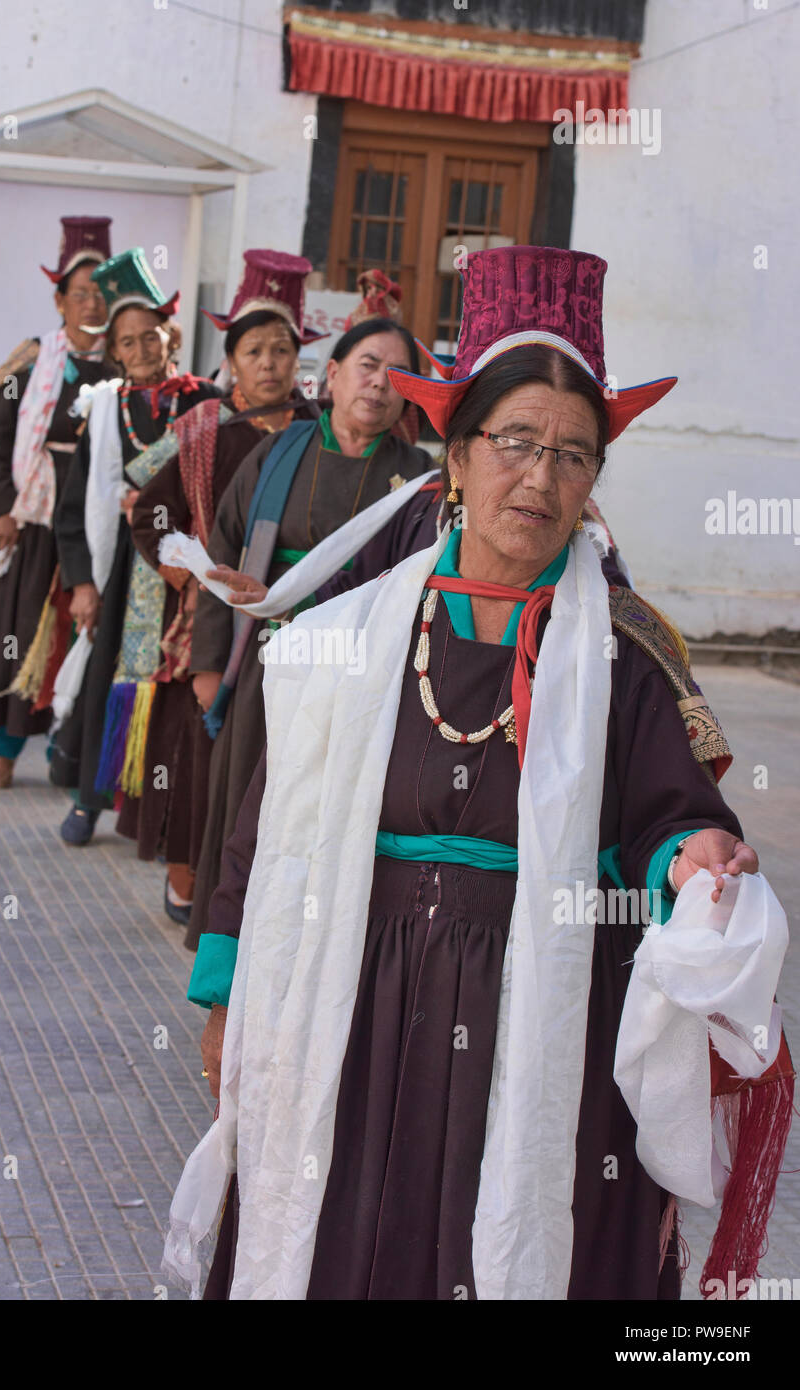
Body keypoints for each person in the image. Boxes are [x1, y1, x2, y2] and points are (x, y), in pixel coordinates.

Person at [165, 245, 793, 1301]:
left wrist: (696, 856)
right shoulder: (361, 627)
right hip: (356, 1004)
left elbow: (669, 810)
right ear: (453, 453)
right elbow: (268, 824)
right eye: (515, 442)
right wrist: (226, 993)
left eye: (574, 454)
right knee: (340, 1239)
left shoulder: (623, 651)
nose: (542, 477)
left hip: (543, 1015)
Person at [183, 312, 433, 948]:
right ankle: (230, 953)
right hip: (264, 657)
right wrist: (209, 663)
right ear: (335, 374)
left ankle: (304, 948)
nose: (379, 383)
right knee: (248, 799)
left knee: (324, 813)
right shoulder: (279, 451)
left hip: (355, 672)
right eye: (368, 365)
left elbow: (416, 583)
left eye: (397, 373)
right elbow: (224, 551)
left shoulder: (421, 478)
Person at [123, 249, 325, 922]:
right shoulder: (205, 431)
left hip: (297, 623)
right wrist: (184, 565)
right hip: (209, 623)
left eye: (279, 350)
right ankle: (186, 874)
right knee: (199, 756)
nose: (268, 363)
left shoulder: (319, 432)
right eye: (252, 351)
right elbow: (150, 510)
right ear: (231, 362)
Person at [48, 247, 218, 843]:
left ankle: (150, 809)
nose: (142, 350)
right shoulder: (104, 410)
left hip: (183, 564)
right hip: (119, 565)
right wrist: (83, 585)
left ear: (170, 335)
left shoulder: (202, 403)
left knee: (171, 684)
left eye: (151, 337)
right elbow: (71, 510)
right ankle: (88, 796)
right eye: (128, 342)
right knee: (107, 679)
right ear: (113, 352)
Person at [0, 215, 115, 788]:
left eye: (102, 294)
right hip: (34, 523)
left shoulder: (121, 364)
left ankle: (64, 754)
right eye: (81, 294)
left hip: (96, 524)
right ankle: (4, 747)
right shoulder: (31, 363)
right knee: (22, 634)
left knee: (84, 635)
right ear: (59, 300)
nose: (93, 304)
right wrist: (2, 508)